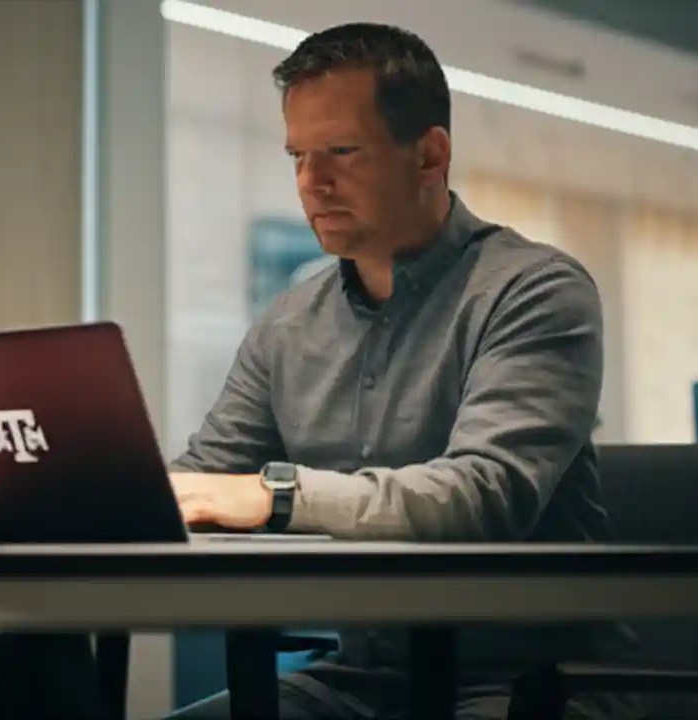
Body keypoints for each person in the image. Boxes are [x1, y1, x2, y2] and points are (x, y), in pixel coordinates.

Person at [165, 22, 641, 720]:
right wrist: (97, 498)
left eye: (341, 153)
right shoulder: (289, 321)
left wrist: (275, 496)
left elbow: (478, 498)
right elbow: (204, 481)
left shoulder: (535, 291)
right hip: (362, 680)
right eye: (297, 153)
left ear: (430, 155)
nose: (309, 181)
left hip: (530, 682)